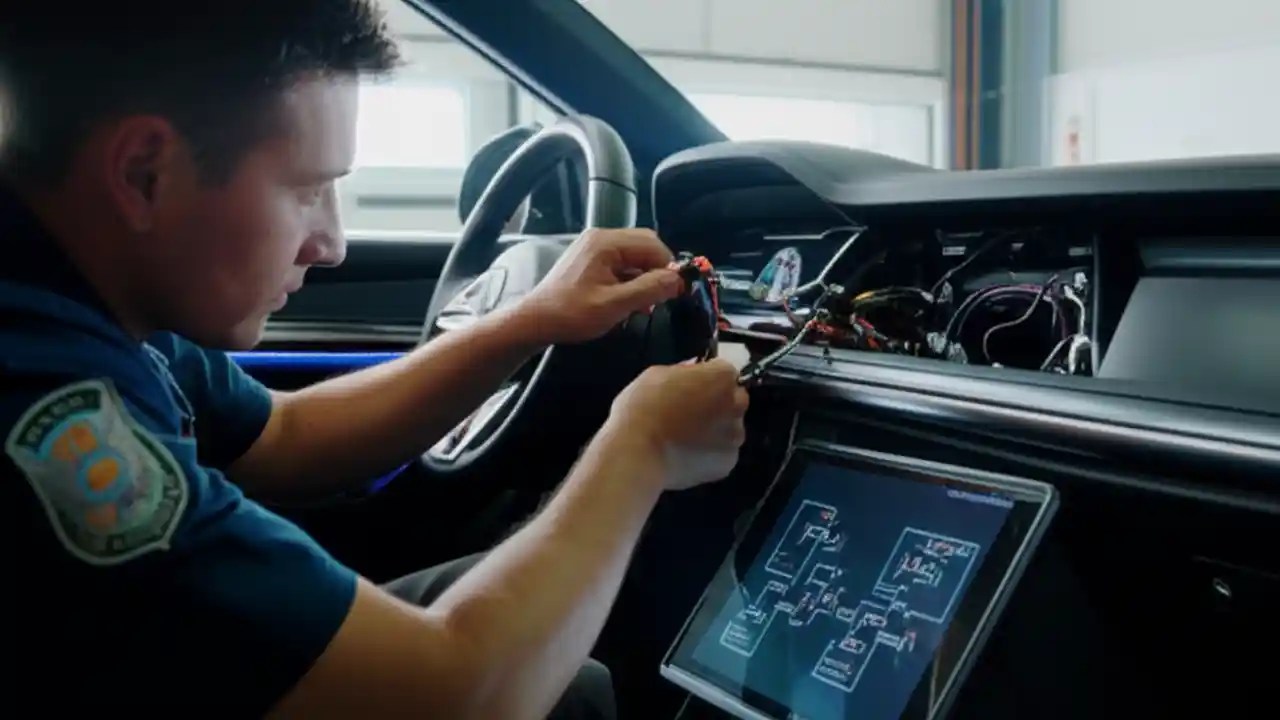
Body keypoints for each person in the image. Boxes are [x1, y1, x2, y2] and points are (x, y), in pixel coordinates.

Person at [0, 2, 748, 718]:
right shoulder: (38, 387)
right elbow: (446, 701)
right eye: (307, 189)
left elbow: (282, 438)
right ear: (142, 175)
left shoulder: (86, 295)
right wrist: (643, 449)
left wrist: (530, 322)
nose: (331, 243)